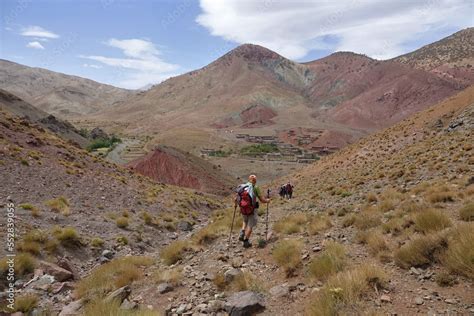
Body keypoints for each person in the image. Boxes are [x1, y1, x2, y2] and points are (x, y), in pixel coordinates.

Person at [236, 174, 270, 248]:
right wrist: (267, 201)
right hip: (252, 209)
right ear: (255, 181)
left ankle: (242, 232)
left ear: (249, 180)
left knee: (245, 221)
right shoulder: (255, 188)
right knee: (250, 225)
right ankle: (246, 241)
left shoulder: (243, 187)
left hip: (243, 208)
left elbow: (237, 198)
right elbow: (262, 200)